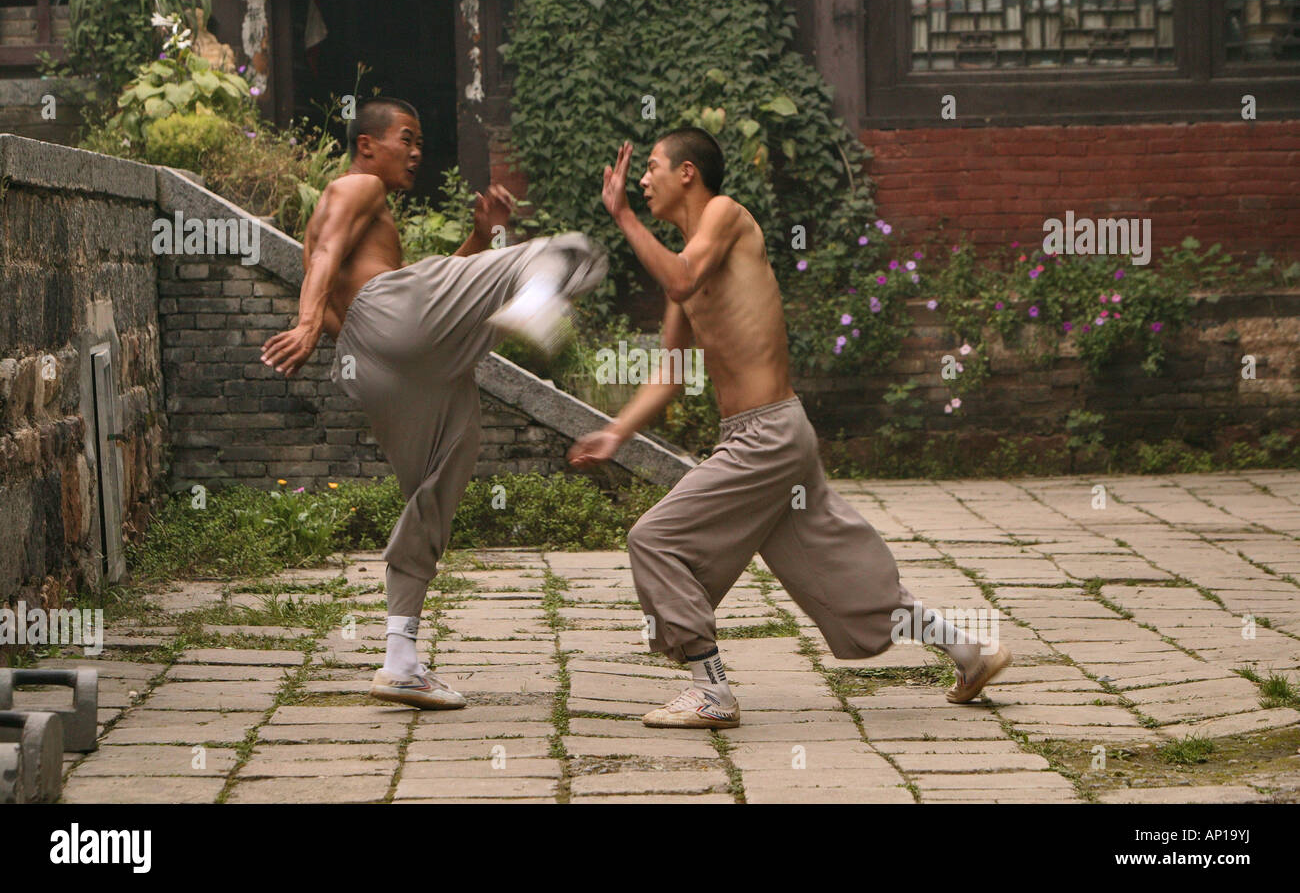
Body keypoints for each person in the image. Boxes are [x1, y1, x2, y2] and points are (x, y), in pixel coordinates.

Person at [567, 129, 1010, 729]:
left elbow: (677, 278)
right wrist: (616, 434)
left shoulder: (723, 215)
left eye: (651, 168)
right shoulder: (684, 267)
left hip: (767, 436)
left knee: (654, 539)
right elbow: (670, 374)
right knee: (838, 571)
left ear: (688, 173)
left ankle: (712, 690)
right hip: (773, 436)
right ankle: (970, 650)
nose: (642, 181)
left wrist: (620, 215)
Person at [261, 97, 607, 709]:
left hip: (379, 361)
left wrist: (478, 239)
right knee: (567, 252)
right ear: (367, 144)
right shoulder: (356, 184)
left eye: (420, 141)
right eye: (406, 138)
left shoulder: (369, 216)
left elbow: (426, 309)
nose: (417, 151)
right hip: (381, 320)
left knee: (436, 485)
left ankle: (400, 661)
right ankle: (529, 297)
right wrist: (308, 320)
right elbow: (324, 254)